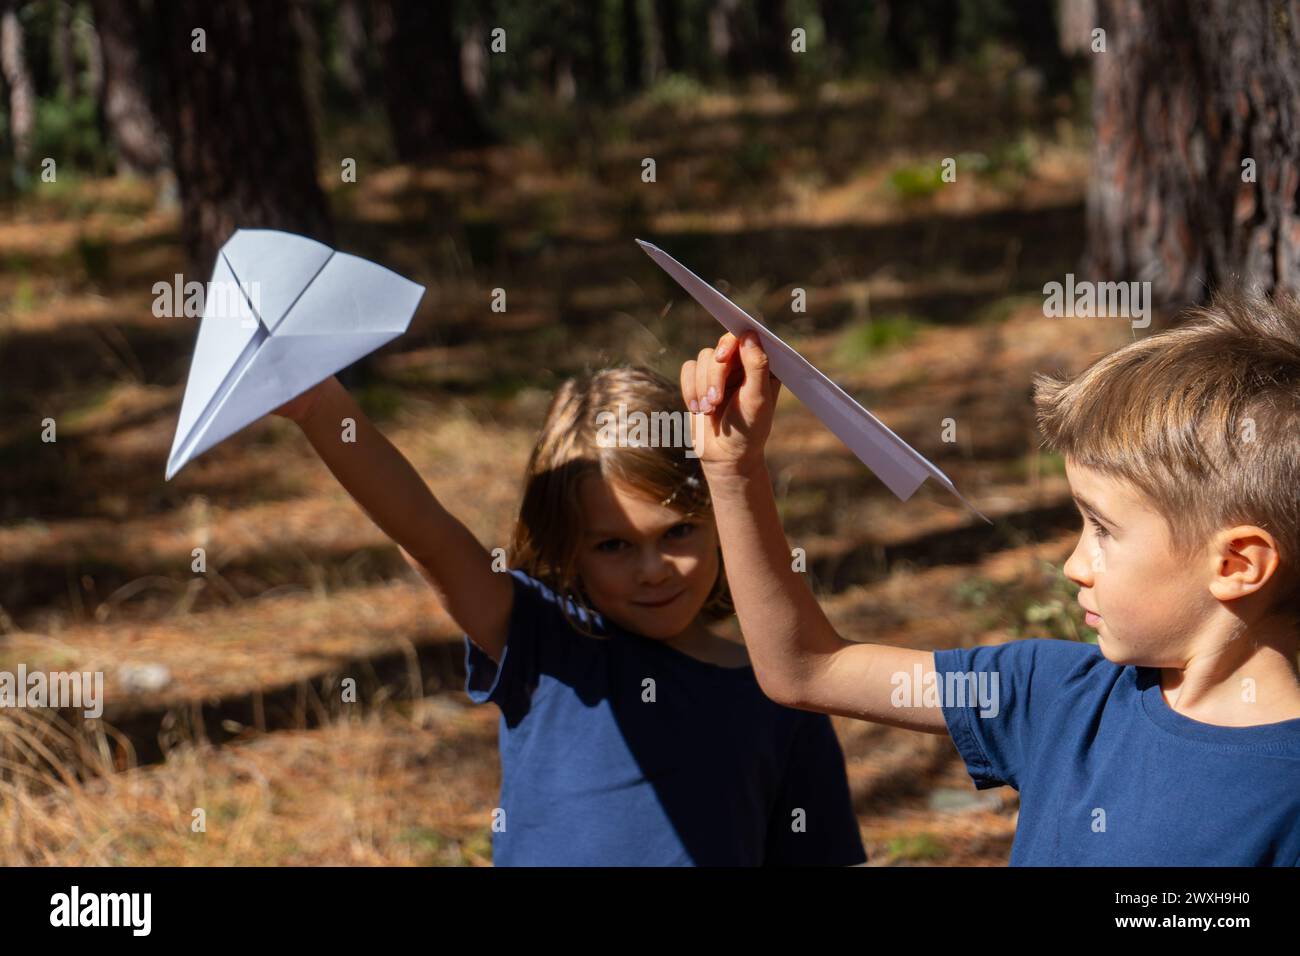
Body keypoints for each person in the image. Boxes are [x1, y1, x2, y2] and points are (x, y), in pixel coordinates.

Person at [679, 289, 1300, 865]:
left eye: (1103, 530)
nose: (1073, 564)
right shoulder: (1054, 696)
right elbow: (805, 668)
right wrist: (734, 471)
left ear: (1237, 565)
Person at [274, 364, 866, 866]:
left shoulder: (786, 692)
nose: (653, 569)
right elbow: (426, 535)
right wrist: (321, 406)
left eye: (679, 531)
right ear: (567, 548)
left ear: (724, 522)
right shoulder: (543, 642)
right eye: (613, 545)